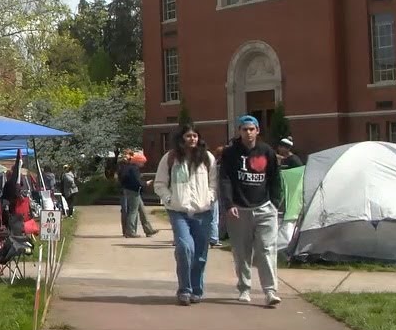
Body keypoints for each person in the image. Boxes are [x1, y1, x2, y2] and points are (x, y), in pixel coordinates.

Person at [220, 115, 283, 307]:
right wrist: (229, 204)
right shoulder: (230, 153)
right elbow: (225, 179)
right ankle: (244, 288)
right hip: (239, 210)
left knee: (266, 249)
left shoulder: (267, 152)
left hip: (264, 208)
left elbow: (275, 178)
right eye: (244, 129)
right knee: (241, 252)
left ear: (257, 131)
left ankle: (270, 291)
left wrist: (275, 202)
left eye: (251, 129)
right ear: (239, 131)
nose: (248, 132)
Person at [154, 125, 218, 305]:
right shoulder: (171, 158)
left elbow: (214, 183)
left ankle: (196, 290)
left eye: (195, 136)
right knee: (184, 248)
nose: (192, 139)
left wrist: (210, 198)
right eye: (188, 136)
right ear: (181, 138)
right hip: (178, 211)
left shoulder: (207, 158)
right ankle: (184, 289)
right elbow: (159, 184)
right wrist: (169, 199)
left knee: (200, 253)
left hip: (202, 211)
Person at [119, 154, 158, 237]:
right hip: (133, 191)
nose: (143, 165)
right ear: (138, 161)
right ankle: (130, 231)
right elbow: (137, 182)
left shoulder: (129, 168)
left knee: (142, 211)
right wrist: (145, 183)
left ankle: (148, 230)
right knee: (133, 211)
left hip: (131, 191)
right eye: (142, 162)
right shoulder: (134, 169)